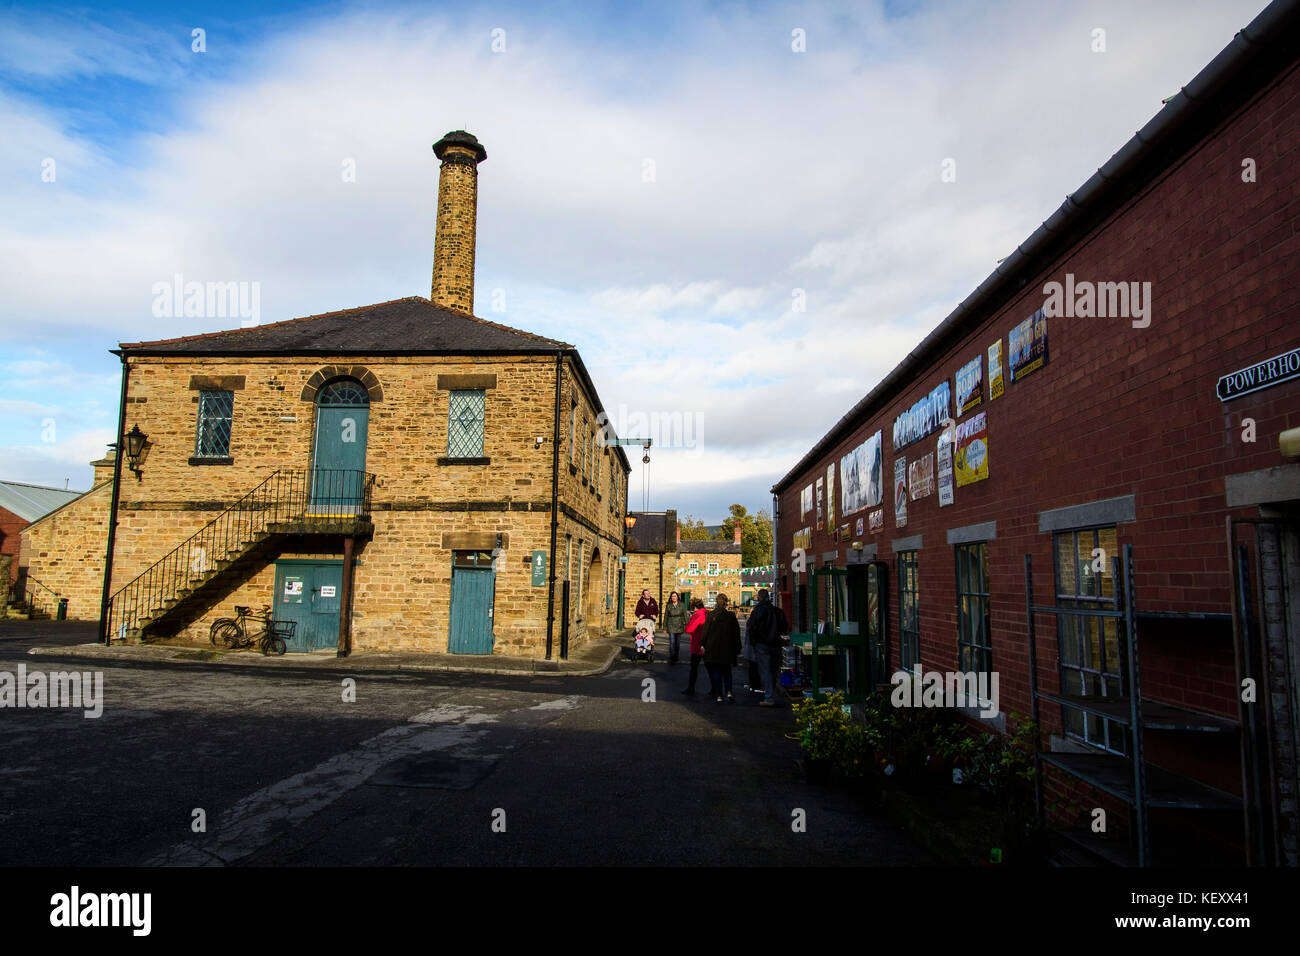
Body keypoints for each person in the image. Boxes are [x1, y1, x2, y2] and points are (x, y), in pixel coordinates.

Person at [745, 589, 789, 707]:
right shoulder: (778, 611)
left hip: (762, 644)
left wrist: (753, 642)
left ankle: (769, 697)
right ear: (769, 597)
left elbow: (752, 627)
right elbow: (784, 627)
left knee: (765, 670)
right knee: (774, 670)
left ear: (759, 598)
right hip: (776, 644)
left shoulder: (757, 611)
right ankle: (770, 693)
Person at [701, 593, 741, 704]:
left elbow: (705, 632)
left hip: (713, 648)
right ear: (726, 603)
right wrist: (738, 648)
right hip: (727, 648)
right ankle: (729, 692)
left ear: (716, 602)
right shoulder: (731, 616)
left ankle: (719, 695)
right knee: (727, 671)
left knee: (716, 672)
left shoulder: (710, 615)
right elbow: (736, 634)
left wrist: (703, 644)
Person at [680, 598, 709, 696]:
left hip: (697, 644)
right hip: (708, 644)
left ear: (695, 607)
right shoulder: (707, 613)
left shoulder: (697, 615)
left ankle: (691, 688)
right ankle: (715, 688)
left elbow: (689, 629)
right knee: (711, 667)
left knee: (694, 668)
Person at [662, 591, 689, 664]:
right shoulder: (669, 605)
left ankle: (676, 656)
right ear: (671, 598)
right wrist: (664, 627)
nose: (674, 597)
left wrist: (687, 625)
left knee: (677, 643)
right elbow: (666, 617)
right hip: (671, 625)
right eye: (672, 596)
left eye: (675, 596)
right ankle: (672, 657)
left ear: (677, 597)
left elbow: (685, 616)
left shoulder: (682, 605)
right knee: (672, 643)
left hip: (679, 625)